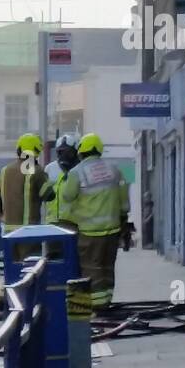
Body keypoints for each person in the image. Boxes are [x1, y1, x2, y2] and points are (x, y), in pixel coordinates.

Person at [59, 133, 130, 310]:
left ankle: (98, 308)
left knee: (92, 268)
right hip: (113, 229)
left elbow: (67, 196)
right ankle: (106, 301)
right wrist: (123, 219)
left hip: (89, 232)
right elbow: (124, 201)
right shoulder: (115, 169)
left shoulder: (77, 172)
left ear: (81, 151)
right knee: (107, 267)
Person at [0, 133, 49, 262]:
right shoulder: (36, 171)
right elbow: (49, 195)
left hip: (9, 232)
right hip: (28, 233)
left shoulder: (4, 171)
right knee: (29, 271)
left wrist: (2, 214)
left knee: (12, 271)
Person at [42, 133, 80, 227]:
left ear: (75, 152)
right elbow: (43, 194)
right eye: (60, 152)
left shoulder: (80, 169)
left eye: (68, 153)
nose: (64, 156)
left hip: (75, 223)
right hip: (52, 223)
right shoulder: (49, 169)